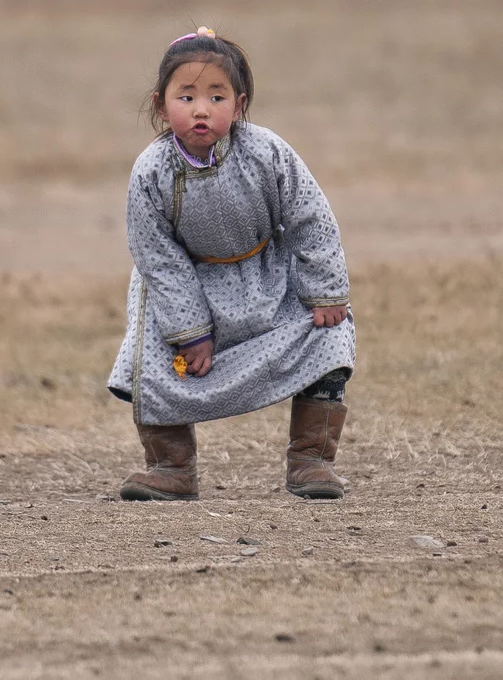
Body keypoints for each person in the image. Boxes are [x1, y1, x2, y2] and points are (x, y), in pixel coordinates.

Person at [107, 27, 356, 501]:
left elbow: (311, 216)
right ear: (162, 105)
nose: (201, 109)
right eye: (187, 96)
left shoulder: (267, 152)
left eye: (216, 96)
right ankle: (171, 467)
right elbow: (157, 257)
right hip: (187, 288)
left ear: (239, 105)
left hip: (268, 277)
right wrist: (191, 331)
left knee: (330, 335)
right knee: (149, 358)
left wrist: (324, 291)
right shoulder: (150, 171)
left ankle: (311, 462)